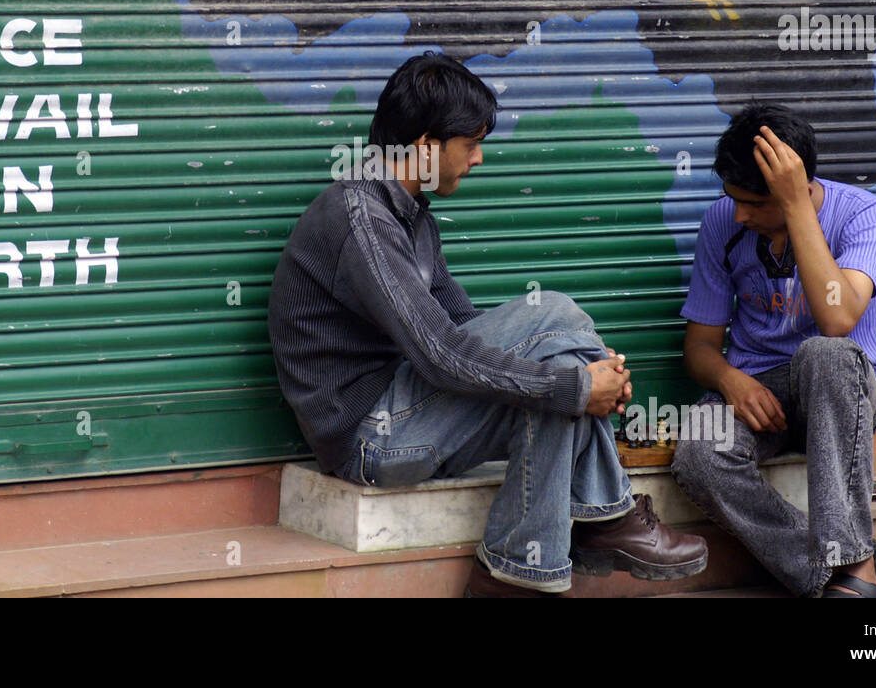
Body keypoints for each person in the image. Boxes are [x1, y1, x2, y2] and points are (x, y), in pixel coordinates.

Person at [268, 52, 707, 597]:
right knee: (552, 313)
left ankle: (512, 576)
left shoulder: (413, 217)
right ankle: (603, 518)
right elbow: (440, 354)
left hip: (415, 419)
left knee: (555, 370)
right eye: (470, 144)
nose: (478, 159)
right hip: (370, 437)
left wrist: (580, 384)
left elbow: (466, 326)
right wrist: (577, 385)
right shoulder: (362, 220)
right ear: (427, 146)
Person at [670, 102, 876, 597]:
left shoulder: (864, 213)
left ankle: (855, 569)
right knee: (698, 452)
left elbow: (838, 319)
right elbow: (699, 346)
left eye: (756, 204)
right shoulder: (723, 221)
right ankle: (842, 570)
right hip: (759, 389)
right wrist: (729, 380)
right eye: (733, 199)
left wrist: (799, 211)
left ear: (795, 189)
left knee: (824, 354)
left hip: (844, 384)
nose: (740, 214)